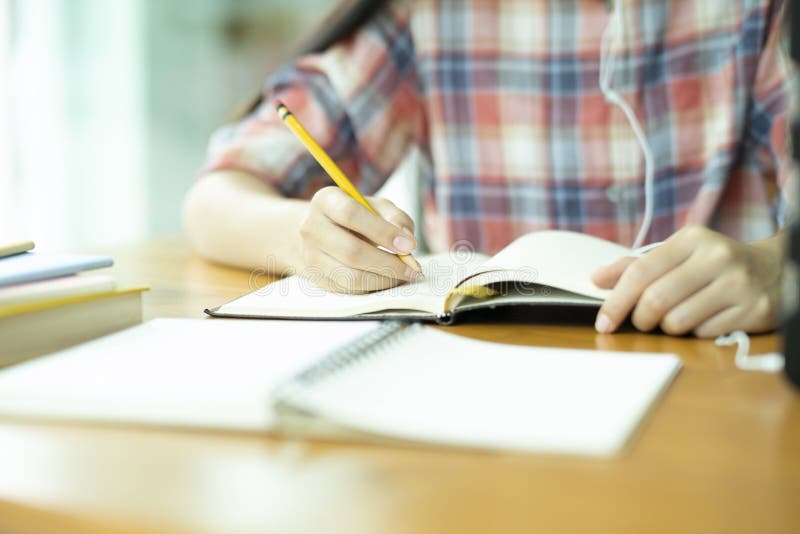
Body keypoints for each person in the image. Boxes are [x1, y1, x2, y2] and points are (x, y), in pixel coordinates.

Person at [184, 0, 794, 338]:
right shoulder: (428, 13)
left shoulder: (757, 11)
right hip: (476, 372)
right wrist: (312, 243)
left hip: (712, 364)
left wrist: (778, 265)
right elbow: (213, 202)